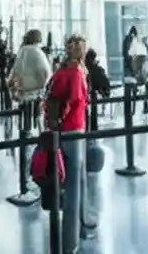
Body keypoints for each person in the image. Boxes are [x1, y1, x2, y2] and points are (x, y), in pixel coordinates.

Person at [47, 34, 93, 254]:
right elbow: (75, 100)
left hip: (70, 129)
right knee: (74, 186)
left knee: (78, 181)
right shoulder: (75, 73)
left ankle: (81, 227)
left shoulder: (64, 70)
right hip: (73, 129)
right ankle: (70, 241)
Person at [8, 29, 52, 134]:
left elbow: (15, 71)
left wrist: (13, 87)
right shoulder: (37, 52)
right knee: (38, 122)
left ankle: (25, 138)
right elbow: (46, 71)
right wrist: (43, 84)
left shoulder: (22, 51)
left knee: (25, 124)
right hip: (36, 92)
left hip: (22, 92)